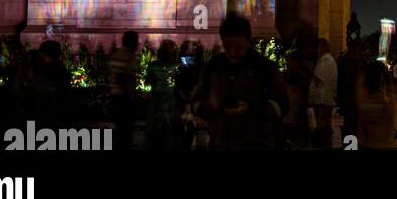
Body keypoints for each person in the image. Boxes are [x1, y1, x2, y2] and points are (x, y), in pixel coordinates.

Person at [191, 15, 287, 150]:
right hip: (220, 141)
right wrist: (207, 106)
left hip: (257, 141)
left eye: (238, 47)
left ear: (248, 41)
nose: (232, 53)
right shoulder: (214, 66)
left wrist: (252, 108)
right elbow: (195, 102)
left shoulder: (264, 67)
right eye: (227, 47)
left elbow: (282, 105)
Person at [144, 40, 181, 150]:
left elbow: (147, 81)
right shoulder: (175, 66)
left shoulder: (153, 65)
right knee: (168, 129)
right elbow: (179, 83)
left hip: (156, 98)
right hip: (169, 100)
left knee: (154, 128)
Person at [108, 30, 140, 150]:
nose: (138, 43)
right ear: (132, 42)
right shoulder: (128, 56)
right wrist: (132, 95)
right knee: (126, 127)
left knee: (121, 127)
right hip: (124, 97)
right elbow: (123, 78)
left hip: (116, 95)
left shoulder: (116, 54)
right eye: (137, 41)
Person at [357, 61, 396, 150]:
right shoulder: (388, 100)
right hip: (386, 145)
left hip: (366, 144)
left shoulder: (363, 99)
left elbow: (360, 84)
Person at [308, 38, 338, 148]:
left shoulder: (326, 61)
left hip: (323, 99)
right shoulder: (327, 60)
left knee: (323, 126)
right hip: (324, 98)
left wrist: (309, 71)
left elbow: (319, 77)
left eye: (318, 47)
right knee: (324, 125)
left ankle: (325, 145)